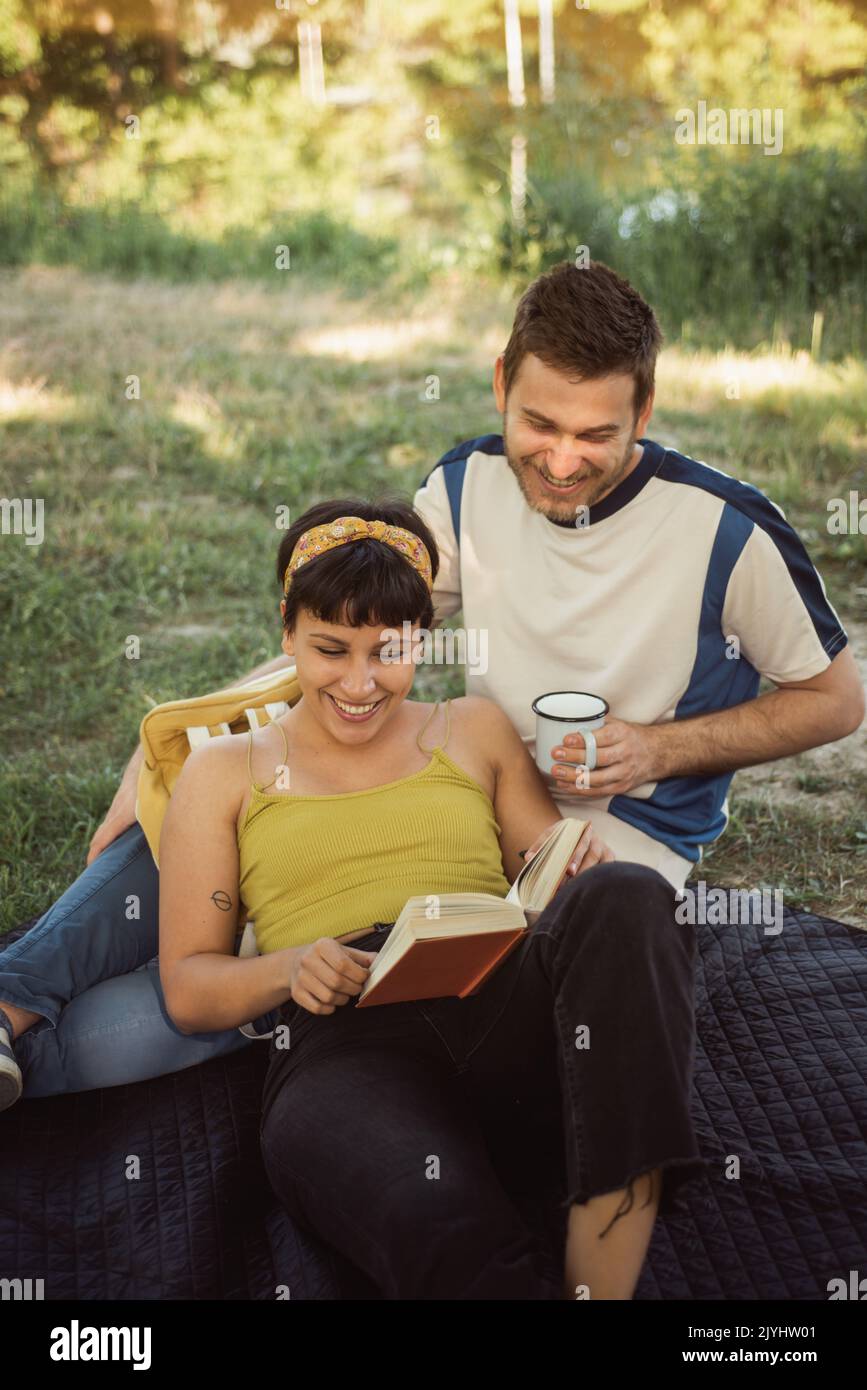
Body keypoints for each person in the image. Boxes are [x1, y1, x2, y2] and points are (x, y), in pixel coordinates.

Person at [156, 500, 702, 1299]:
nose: (359, 681)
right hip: (345, 1043)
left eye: (389, 651)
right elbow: (189, 988)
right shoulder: (226, 771)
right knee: (431, 1215)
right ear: (286, 633)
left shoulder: (470, 729)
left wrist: (575, 868)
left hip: (501, 1001)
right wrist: (290, 968)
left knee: (628, 891)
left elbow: (553, 878)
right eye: (330, 649)